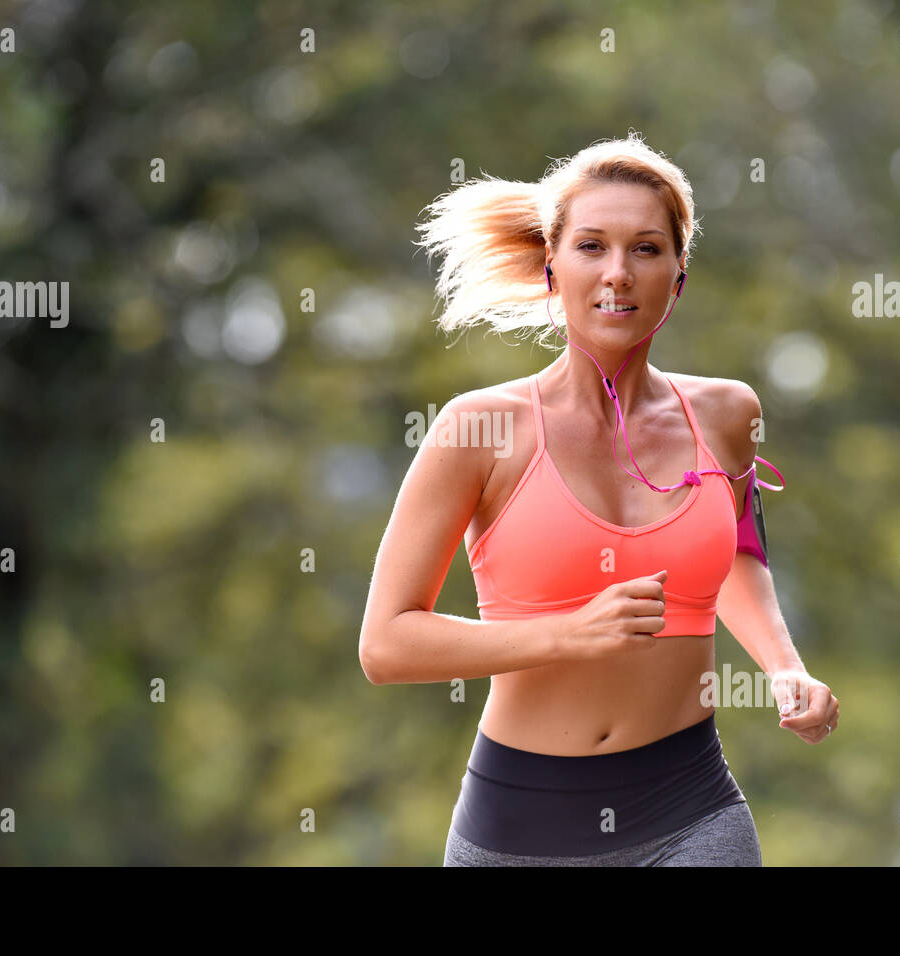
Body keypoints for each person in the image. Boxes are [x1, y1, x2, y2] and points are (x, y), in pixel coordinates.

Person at [358, 132, 838, 866]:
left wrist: (784, 667)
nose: (619, 273)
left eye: (646, 249)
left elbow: (734, 554)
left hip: (692, 814)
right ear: (552, 265)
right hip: (519, 832)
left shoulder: (728, 414)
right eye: (592, 246)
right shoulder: (478, 429)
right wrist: (566, 634)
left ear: (678, 274)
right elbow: (387, 643)